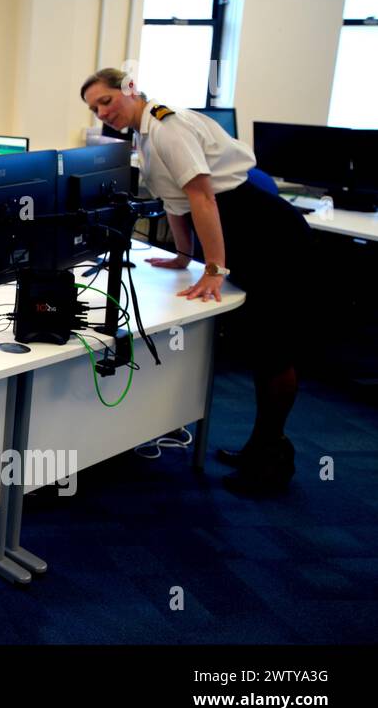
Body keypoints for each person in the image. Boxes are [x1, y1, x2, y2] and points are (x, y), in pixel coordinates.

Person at [80, 68, 311, 495]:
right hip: (234, 231)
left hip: (266, 231)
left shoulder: (168, 127)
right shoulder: (144, 136)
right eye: (94, 108)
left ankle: (273, 460)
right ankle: (261, 445)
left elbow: (203, 196)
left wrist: (214, 268)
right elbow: (175, 202)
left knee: (272, 349)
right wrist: (185, 256)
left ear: (129, 91)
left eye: (106, 101)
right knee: (259, 344)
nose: (101, 113)